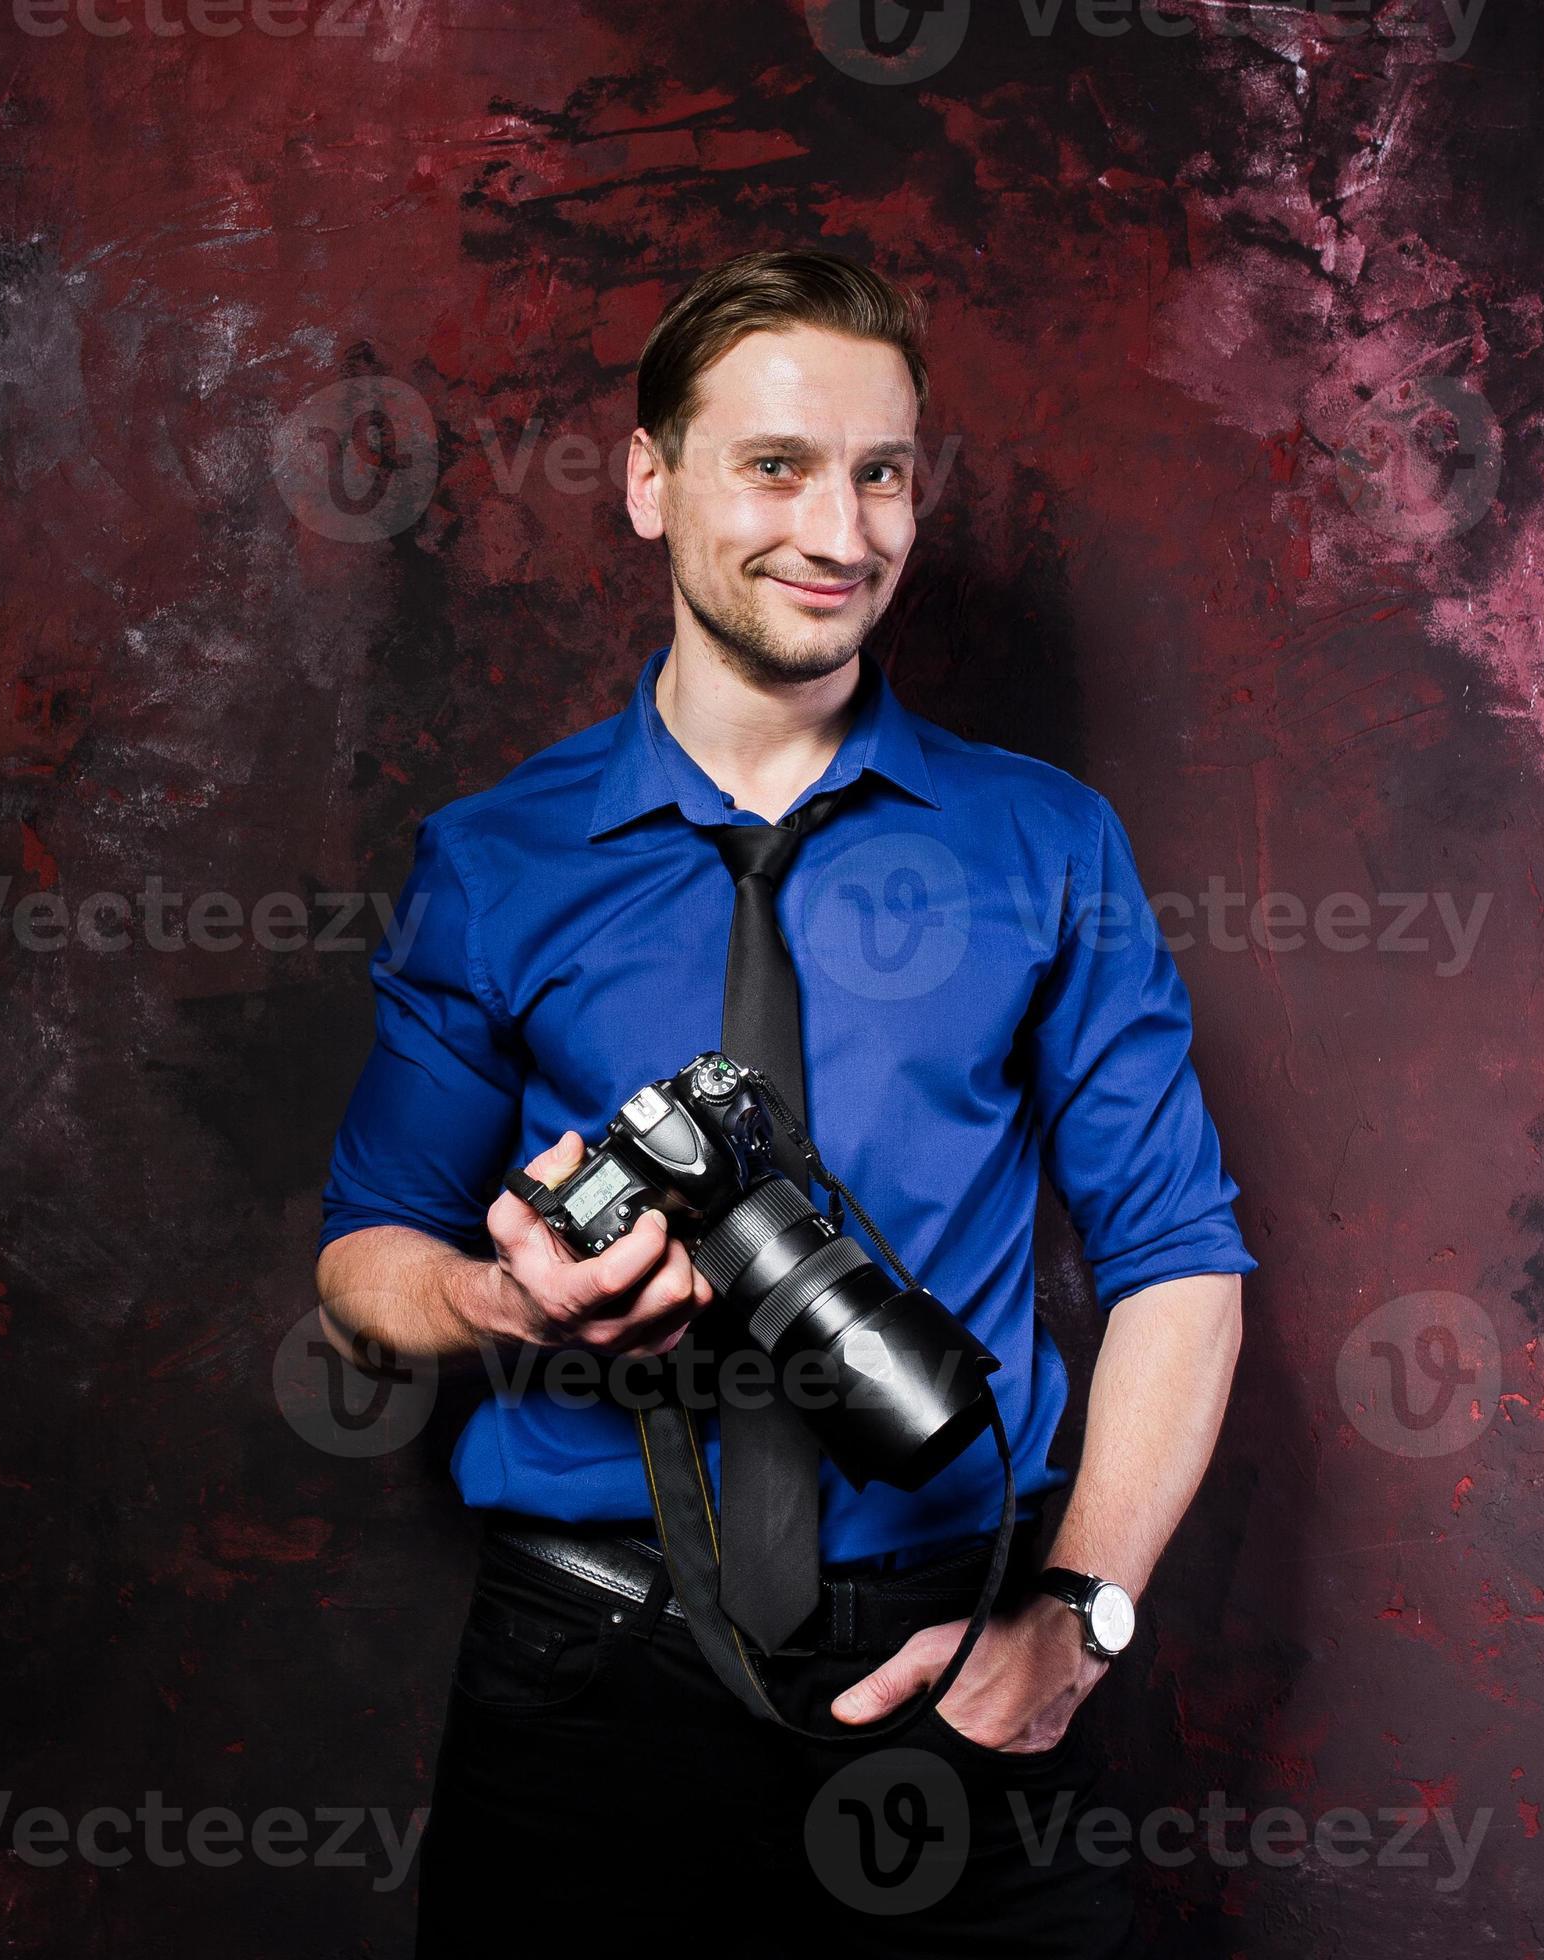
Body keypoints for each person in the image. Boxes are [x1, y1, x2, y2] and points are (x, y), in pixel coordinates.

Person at [312, 247, 1253, 1955]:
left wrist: (1077, 1615)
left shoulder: (1039, 843)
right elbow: (365, 1258)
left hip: (953, 1648)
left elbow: (1178, 1256)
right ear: (648, 479)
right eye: (775, 466)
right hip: (584, 1679)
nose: (840, 532)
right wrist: (497, 1296)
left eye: (879, 472)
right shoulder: (495, 860)